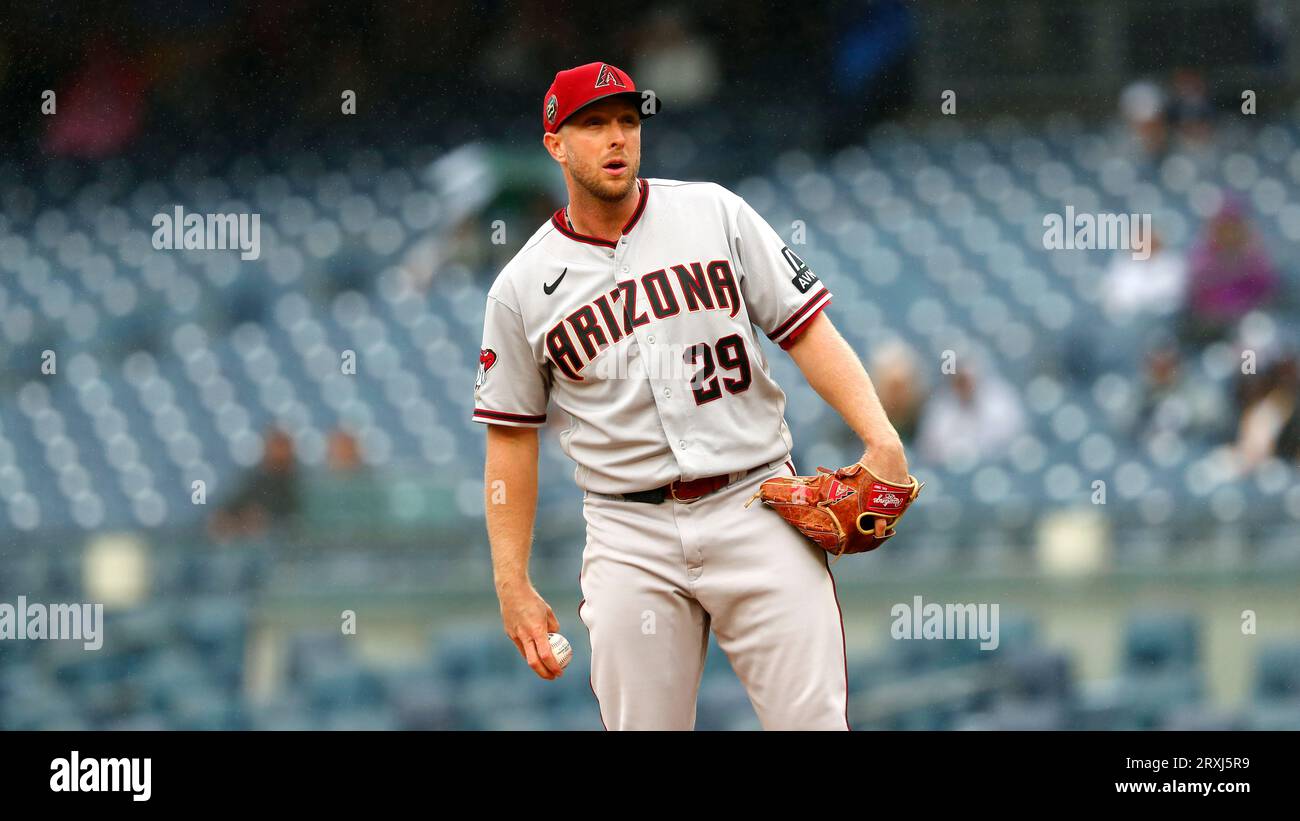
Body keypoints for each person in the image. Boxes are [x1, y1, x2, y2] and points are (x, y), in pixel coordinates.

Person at [474, 62, 910, 730]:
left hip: (756, 502)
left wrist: (882, 437)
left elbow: (807, 331)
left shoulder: (714, 212)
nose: (616, 137)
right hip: (629, 533)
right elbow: (510, 436)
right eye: (593, 125)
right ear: (555, 144)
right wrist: (511, 578)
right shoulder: (521, 285)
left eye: (626, 121)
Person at [915, 358, 1025, 466]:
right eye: (960, 381)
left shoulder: (1000, 403)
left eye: (967, 379)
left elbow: (1011, 440)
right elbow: (929, 449)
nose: (965, 385)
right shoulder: (939, 409)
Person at [208, 427, 300, 541]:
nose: (280, 454)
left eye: (283, 448)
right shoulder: (255, 482)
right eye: (276, 447)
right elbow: (229, 511)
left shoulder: (299, 485)